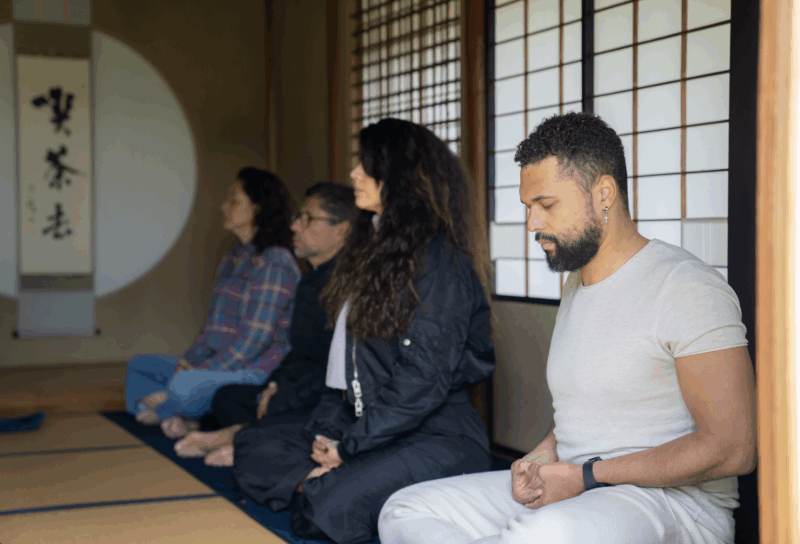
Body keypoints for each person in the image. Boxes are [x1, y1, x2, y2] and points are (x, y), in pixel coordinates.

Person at [378, 112, 757, 544]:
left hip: (672, 506)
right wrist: (540, 458)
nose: (532, 224)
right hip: (577, 487)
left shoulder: (686, 286)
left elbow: (732, 448)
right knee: (403, 511)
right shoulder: (578, 284)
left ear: (604, 193)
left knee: (536, 535)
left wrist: (587, 476)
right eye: (528, 208)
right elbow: (592, 414)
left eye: (547, 205)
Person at [232, 118, 496, 544]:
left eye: (366, 165)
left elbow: (421, 381)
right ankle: (331, 481)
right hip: (367, 426)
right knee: (252, 447)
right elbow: (345, 371)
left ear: (401, 177)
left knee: (322, 510)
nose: (354, 172)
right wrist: (328, 434)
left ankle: (328, 485)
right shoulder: (372, 255)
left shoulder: (439, 260)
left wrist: (349, 448)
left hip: (435, 436)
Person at [172, 182, 360, 466]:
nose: (295, 226)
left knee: (312, 410)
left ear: (343, 230)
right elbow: (297, 353)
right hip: (293, 384)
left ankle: (242, 437)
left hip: (323, 393)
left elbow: (336, 369)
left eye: (308, 219)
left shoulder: (347, 284)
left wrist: (281, 395)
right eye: (298, 217)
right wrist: (275, 385)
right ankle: (243, 432)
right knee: (229, 397)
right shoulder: (311, 279)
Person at [124, 167, 301, 439]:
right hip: (213, 366)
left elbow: (253, 342)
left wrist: (201, 371)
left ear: (258, 207)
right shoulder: (234, 257)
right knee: (140, 366)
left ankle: (166, 407)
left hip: (253, 371)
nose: (223, 206)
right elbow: (211, 328)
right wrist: (190, 360)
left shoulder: (275, 262)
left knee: (185, 385)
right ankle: (171, 409)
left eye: (233, 201)